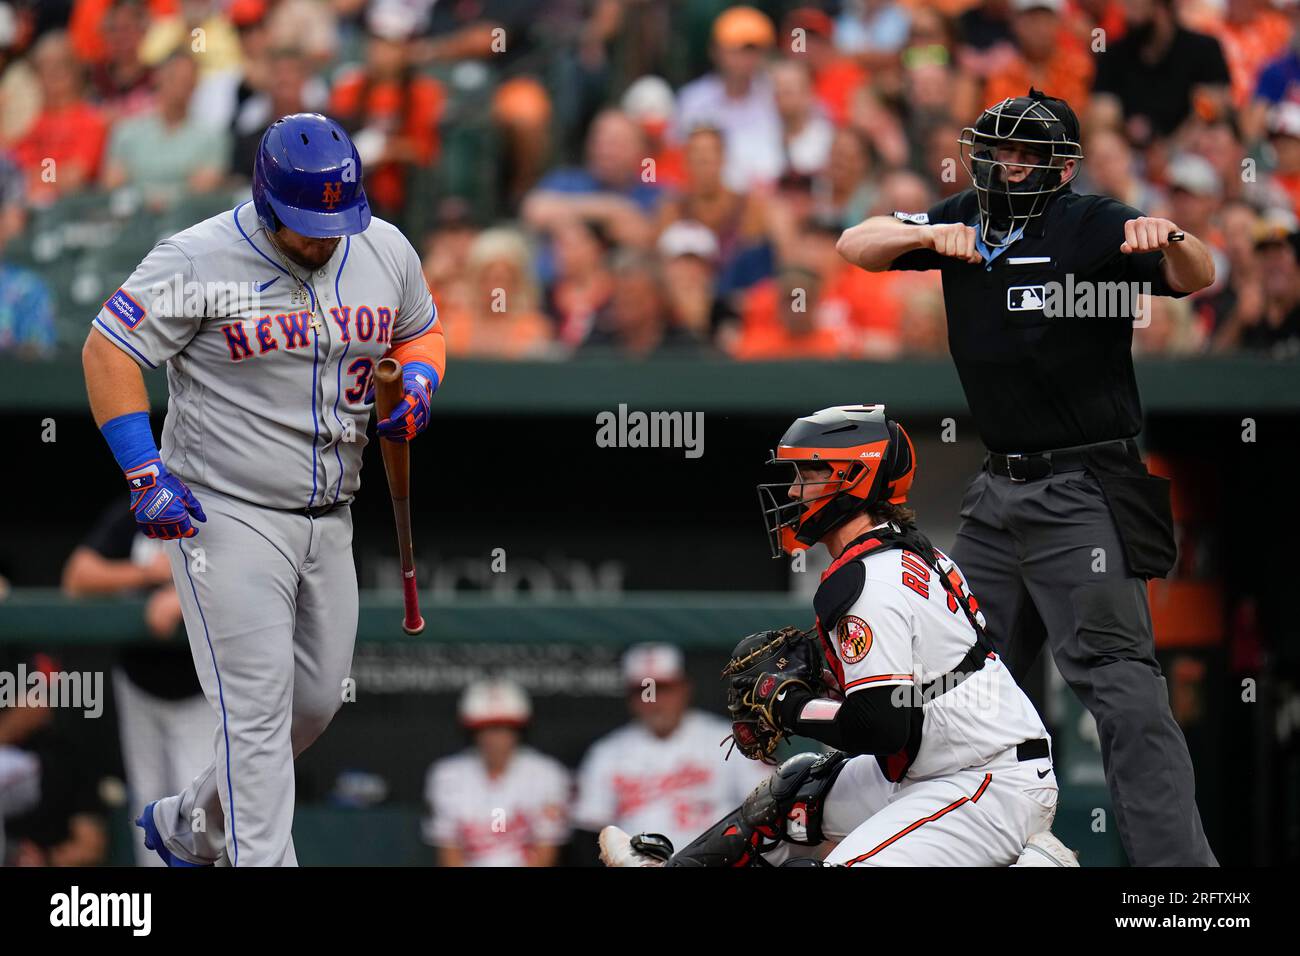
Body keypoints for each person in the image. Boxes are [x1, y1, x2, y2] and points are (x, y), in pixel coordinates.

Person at [835, 90, 1218, 866]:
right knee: (956, 681)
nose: (1005, 165)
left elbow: (1199, 271)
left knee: (1121, 689)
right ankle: (973, 849)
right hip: (995, 492)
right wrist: (933, 232)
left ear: (1060, 165)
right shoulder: (966, 213)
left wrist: (1168, 235)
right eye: (995, 149)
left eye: (1023, 154)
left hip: (1081, 486)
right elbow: (855, 242)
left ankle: (1181, 884)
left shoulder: (1091, 224)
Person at [81, 113, 446, 867]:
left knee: (309, 707)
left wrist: (419, 377)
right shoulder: (197, 257)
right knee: (253, 715)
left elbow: (421, 328)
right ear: (268, 199)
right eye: (309, 222)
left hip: (331, 514)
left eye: (335, 218)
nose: (325, 236)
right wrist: (143, 472)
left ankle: (189, 820)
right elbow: (107, 349)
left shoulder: (383, 248)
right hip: (226, 513)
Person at [601, 406, 1075, 868]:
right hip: (941, 764)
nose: (792, 489)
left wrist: (788, 705)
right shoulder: (903, 548)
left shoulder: (870, 578)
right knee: (790, 800)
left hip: (987, 782)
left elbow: (882, 726)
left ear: (853, 477)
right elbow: (905, 701)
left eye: (807, 474)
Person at [61, 500, 211, 867]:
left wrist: (184, 592)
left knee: (201, 815)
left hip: (202, 690)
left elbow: (247, 569)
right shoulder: (138, 509)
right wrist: (148, 574)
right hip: (139, 684)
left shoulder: (214, 507)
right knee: (149, 810)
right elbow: (77, 577)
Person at [571, 643, 767, 861]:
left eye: (662, 689)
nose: (654, 701)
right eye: (644, 691)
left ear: (684, 689)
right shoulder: (606, 754)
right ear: (630, 698)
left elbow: (767, 810)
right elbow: (590, 833)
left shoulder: (728, 740)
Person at [422, 679, 570, 867]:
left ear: (519, 730)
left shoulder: (547, 773)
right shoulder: (447, 775)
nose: (495, 738)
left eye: (504, 729)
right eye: (486, 729)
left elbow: (545, 854)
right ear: (472, 731)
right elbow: (449, 854)